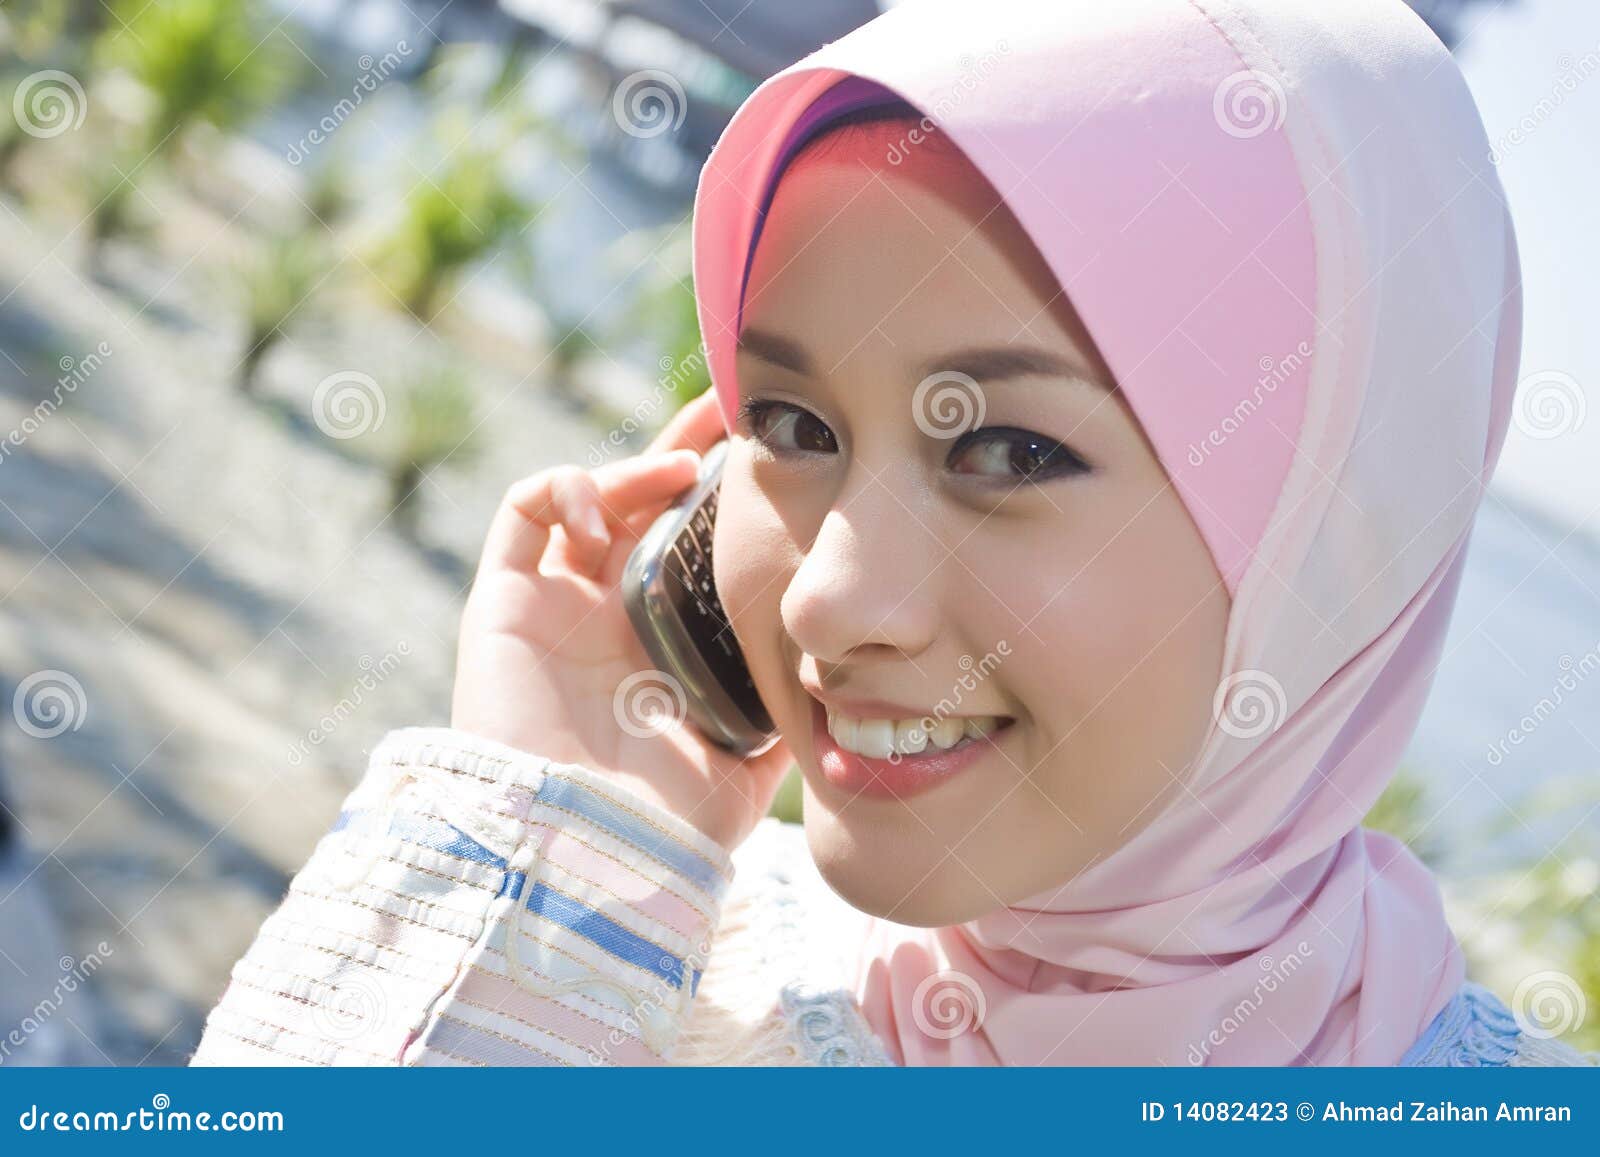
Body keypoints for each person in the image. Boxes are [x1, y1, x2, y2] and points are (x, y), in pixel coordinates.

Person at [189, 0, 1598, 1066]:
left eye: (1008, 449)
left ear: (1334, 538)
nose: (823, 602)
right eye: (794, 426)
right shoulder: (666, 954)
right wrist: (556, 856)